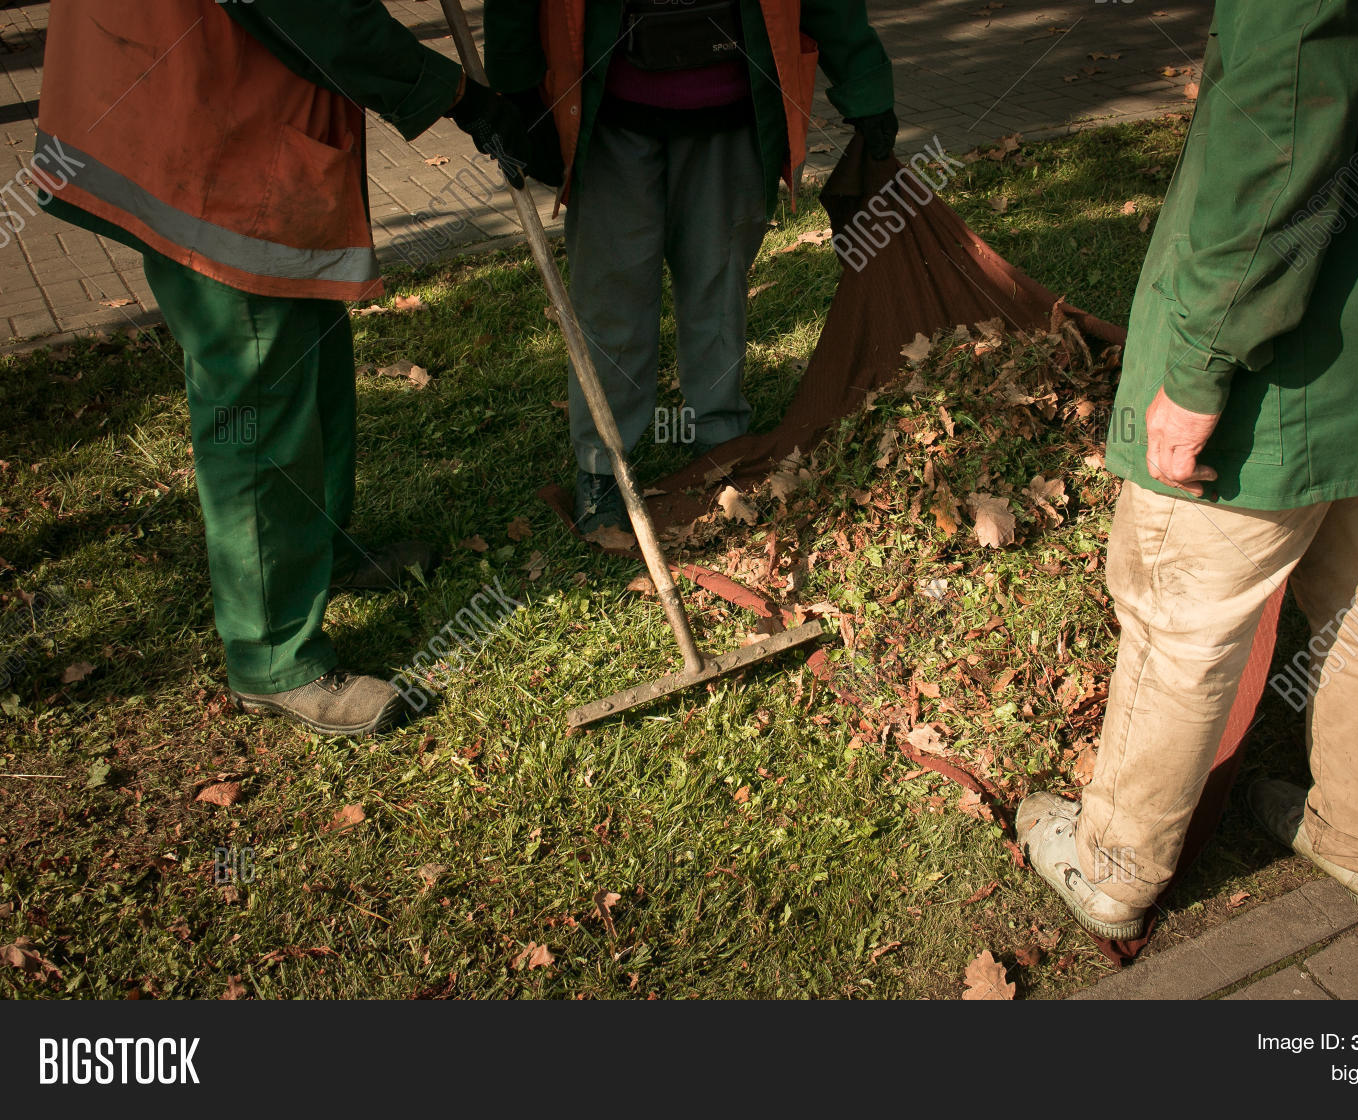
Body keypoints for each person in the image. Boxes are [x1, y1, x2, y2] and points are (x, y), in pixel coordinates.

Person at [1016, 0, 1358, 940]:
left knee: (1181, 603)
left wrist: (1200, 366)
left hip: (1295, 347)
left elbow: (1278, 149)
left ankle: (1114, 866)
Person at [34, 0, 538, 736]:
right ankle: (273, 656)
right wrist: (454, 93)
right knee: (256, 378)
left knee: (305, 331)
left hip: (229, 100)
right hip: (204, 125)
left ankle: (319, 551)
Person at [484, 0, 898, 533]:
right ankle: (603, 464)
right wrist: (516, 93)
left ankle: (718, 438)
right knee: (611, 292)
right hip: (609, 109)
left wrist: (864, 81)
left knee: (719, 277)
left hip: (731, 109)